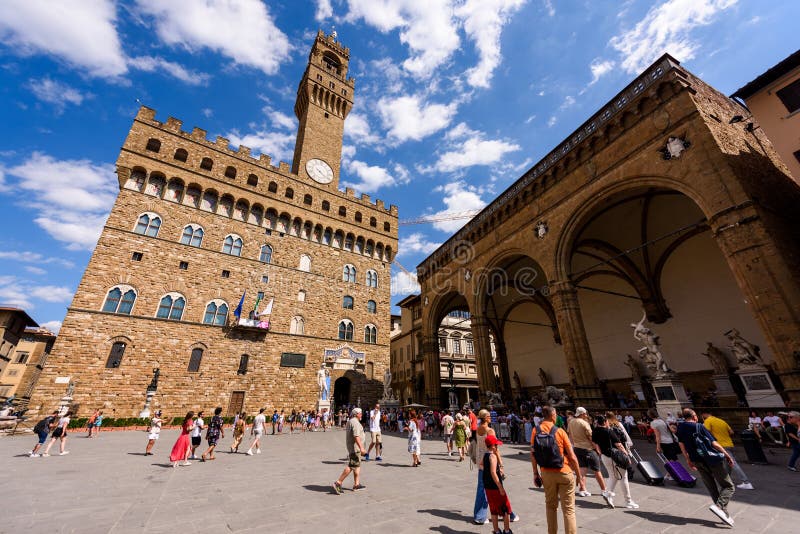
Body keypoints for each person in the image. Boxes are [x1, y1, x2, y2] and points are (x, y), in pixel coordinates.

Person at [675, 408, 736, 526]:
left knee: (711, 486)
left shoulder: (680, 427)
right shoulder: (699, 426)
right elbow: (714, 443)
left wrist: (687, 459)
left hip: (696, 460)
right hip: (711, 459)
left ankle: (723, 513)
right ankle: (719, 507)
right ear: (694, 416)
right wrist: (727, 454)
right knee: (729, 486)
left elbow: (681, 443)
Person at [530, 405, 580, 534]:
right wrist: (579, 475)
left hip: (546, 473)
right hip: (564, 471)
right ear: (553, 415)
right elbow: (573, 457)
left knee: (551, 507)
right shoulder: (560, 431)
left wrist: (536, 474)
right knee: (568, 510)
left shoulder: (535, 430)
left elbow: (533, 454)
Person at [701, 410, 754, 490]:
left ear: (704, 414)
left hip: (721, 445)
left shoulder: (708, 421)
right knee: (728, 464)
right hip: (730, 444)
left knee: (733, 463)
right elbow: (731, 432)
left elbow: (705, 432)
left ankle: (746, 482)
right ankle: (728, 479)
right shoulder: (721, 421)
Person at [592, 415, 637, 509]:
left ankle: (608, 494)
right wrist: (626, 455)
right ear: (605, 422)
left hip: (604, 456)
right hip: (615, 456)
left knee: (613, 476)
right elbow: (619, 445)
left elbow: (595, 444)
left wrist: (600, 452)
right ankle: (628, 501)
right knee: (623, 477)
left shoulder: (595, 431)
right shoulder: (609, 431)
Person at [567, 407, 610, 503]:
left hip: (577, 448)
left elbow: (569, 435)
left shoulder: (571, 422)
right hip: (588, 449)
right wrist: (597, 448)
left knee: (582, 470)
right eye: (585, 413)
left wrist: (574, 444)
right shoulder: (584, 423)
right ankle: (604, 490)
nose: (586, 415)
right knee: (597, 470)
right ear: (582, 414)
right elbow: (591, 437)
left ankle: (582, 489)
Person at [482, 434, 514, 534]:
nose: (497, 447)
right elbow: (492, 472)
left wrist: (496, 469)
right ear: (492, 446)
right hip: (495, 487)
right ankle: (507, 530)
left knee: (493, 509)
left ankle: (496, 530)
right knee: (505, 508)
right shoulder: (492, 456)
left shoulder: (485, 455)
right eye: (496, 445)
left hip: (487, 487)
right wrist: (500, 487)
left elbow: (481, 465)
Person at [332, 407, 366, 494]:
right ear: (356, 414)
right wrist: (361, 447)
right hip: (355, 448)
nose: (361, 415)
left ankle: (356, 484)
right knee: (352, 466)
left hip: (353, 447)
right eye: (360, 413)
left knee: (357, 466)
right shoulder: (355, 423)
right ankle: (338, 482)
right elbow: (356, 436)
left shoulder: (351, 421)